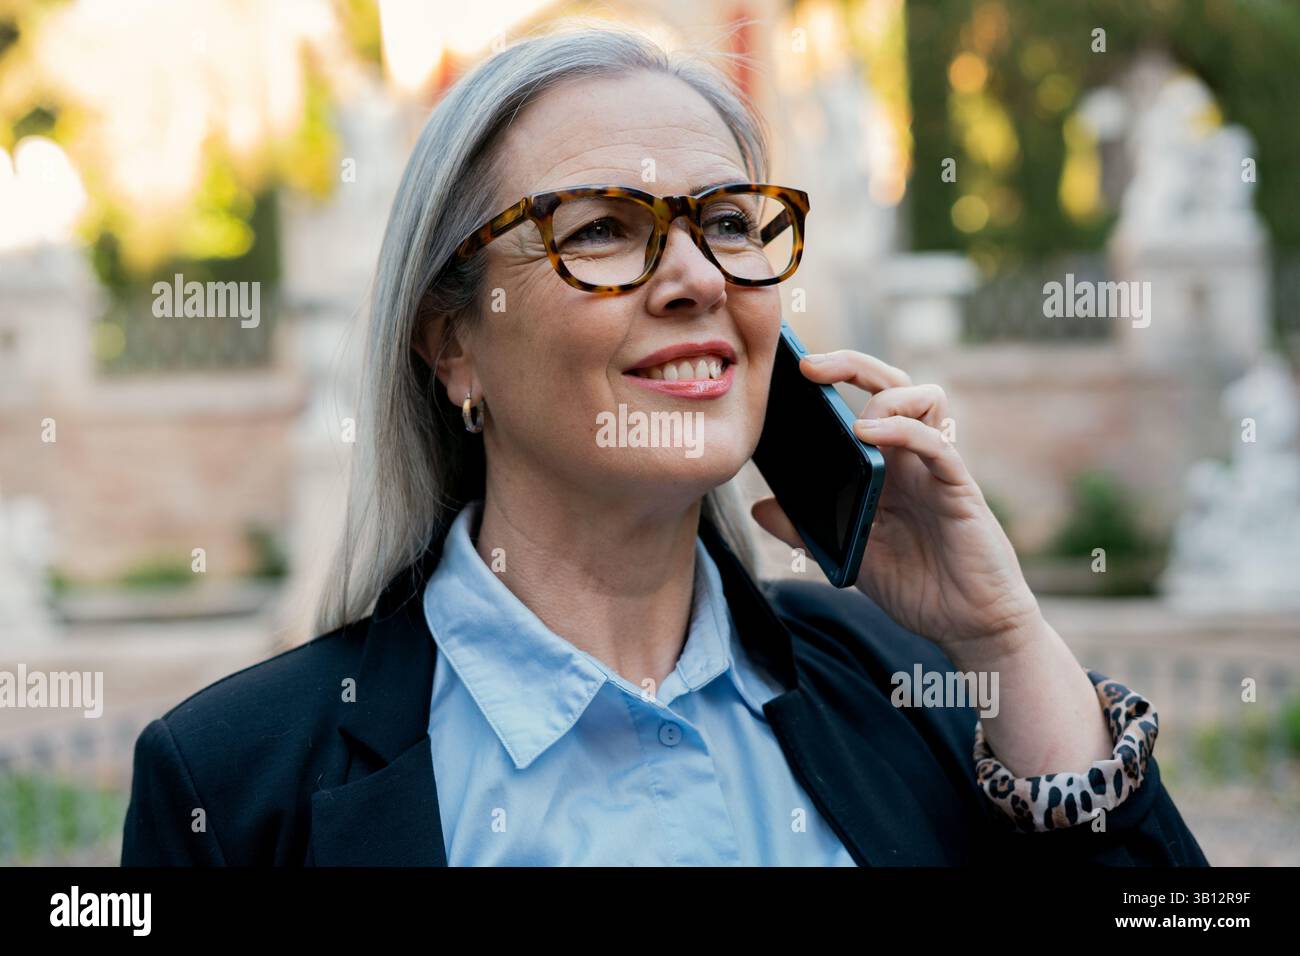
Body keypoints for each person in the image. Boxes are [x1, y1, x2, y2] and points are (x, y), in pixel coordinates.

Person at [121, 24, 1207, 866]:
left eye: (731, 222)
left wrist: (1003, 639)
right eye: (601, 229)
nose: (696, 277)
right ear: (453, 344)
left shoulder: (912, 689)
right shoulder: (238, 780)